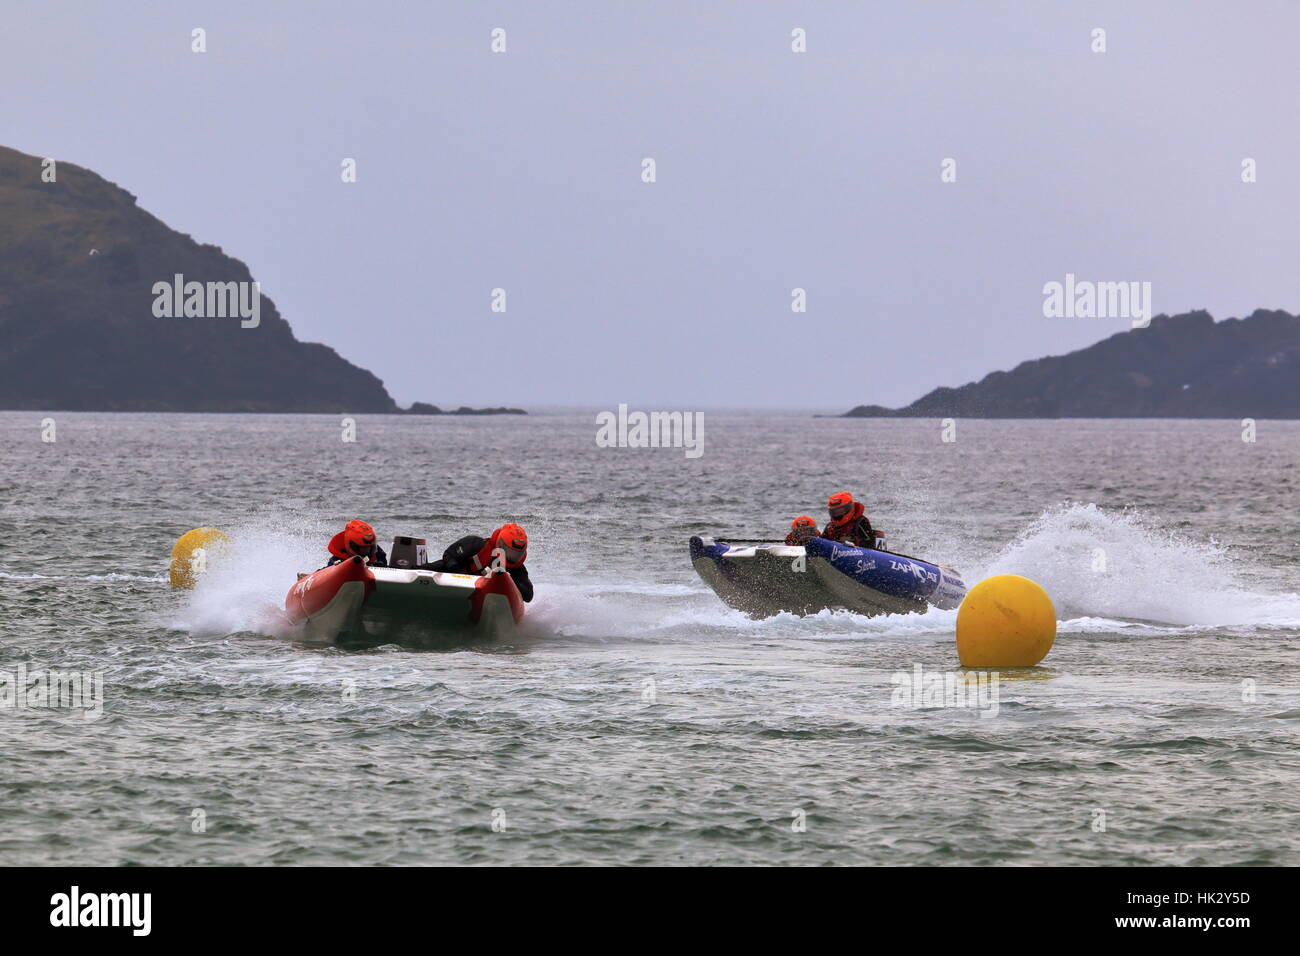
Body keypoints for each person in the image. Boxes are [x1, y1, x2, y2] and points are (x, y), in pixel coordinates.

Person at [421, 522, 533, 602]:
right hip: (452, 580)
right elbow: (448, 555)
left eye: (517, 554)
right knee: (431, 567)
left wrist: (511, 581)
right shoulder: (475, 544)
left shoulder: (518, 569)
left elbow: (528, 596)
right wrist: (460, 575)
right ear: (501, 545)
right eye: (510, 552)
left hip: (481, 596)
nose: (513, 557)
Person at [325, 519, 389, 568]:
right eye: (363, 548)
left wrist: (380, 566)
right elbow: (328, 571)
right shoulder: (338, 556)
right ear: (353, 546)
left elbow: (385, 566)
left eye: (370, 548)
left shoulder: (378, 553)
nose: (367, 551)